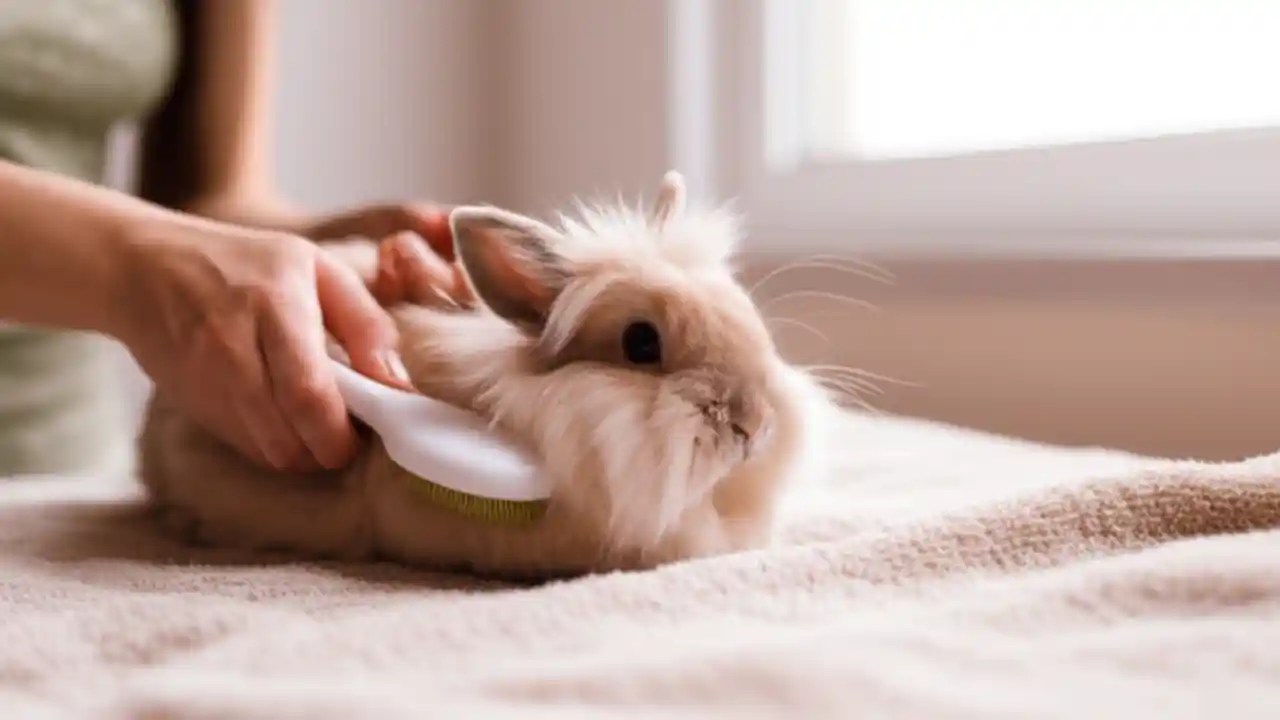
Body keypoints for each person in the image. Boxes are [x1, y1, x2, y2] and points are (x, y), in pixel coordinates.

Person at [0, 1, 460, 477]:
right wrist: (131, 267)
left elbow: (212, 204)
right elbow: (158, 253)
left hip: (70, 473)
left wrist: (325, 261)